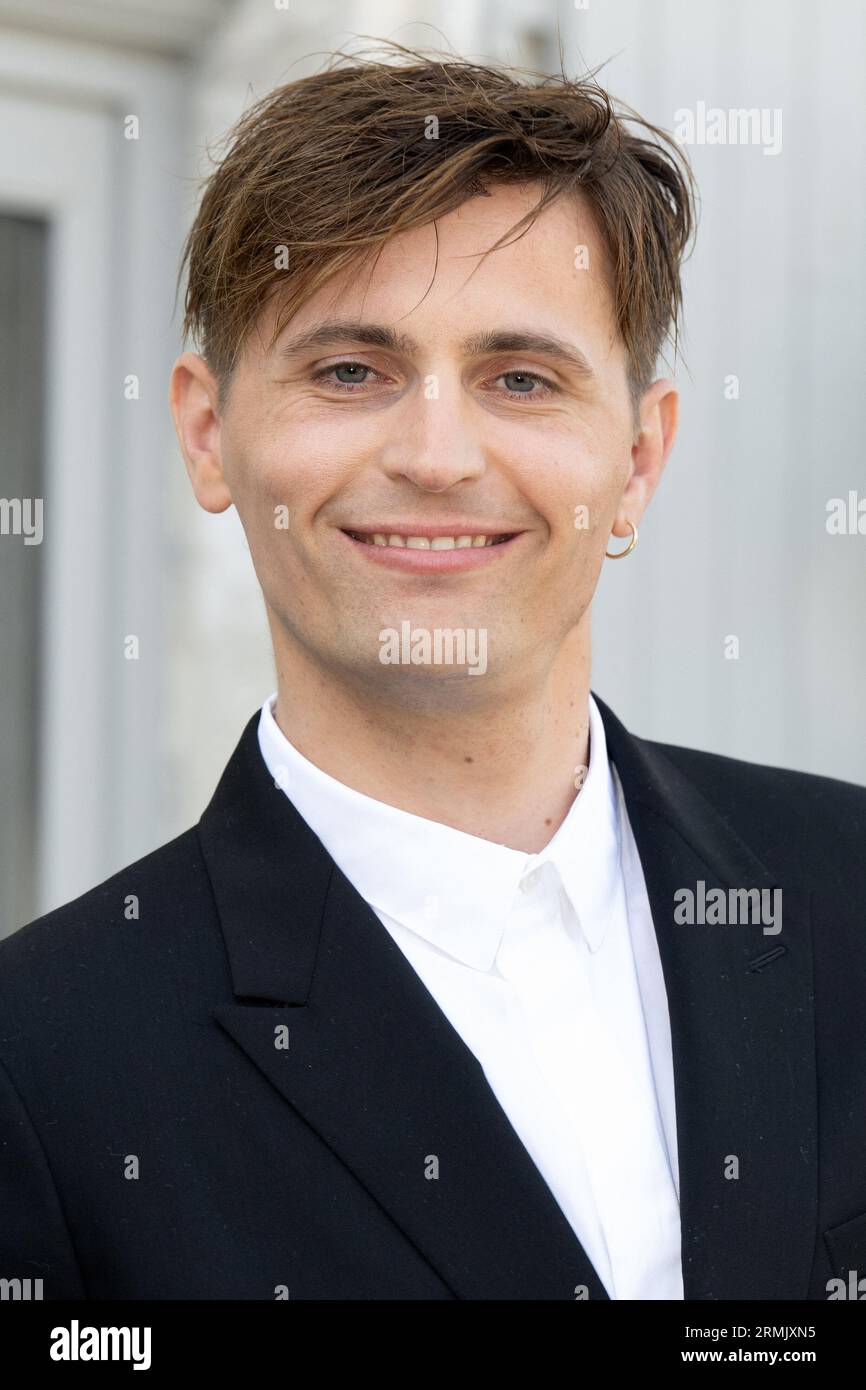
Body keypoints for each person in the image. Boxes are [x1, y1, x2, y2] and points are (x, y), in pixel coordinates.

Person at [1, 46, 864, 1302]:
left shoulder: (845, 890)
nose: (436, 453)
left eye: (521, 377)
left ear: (635, 456)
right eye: (350, 371)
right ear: (208, 433)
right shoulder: (42, 1064)